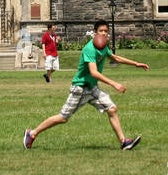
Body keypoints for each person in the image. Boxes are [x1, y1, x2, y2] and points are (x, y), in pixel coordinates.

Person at [24, 20, 148, 150]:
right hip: (80, 88)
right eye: (101, 31)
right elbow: (94, 72)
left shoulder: (103, 46)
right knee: (63, 118)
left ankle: (124, 142)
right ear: (95, 32)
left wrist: (136, 64)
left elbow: (115, 58)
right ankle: (31, 134)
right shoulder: (90, 48)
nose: (104, 33)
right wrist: (114, 84)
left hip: (92, 88)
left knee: (112, 109)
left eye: (106, 31)